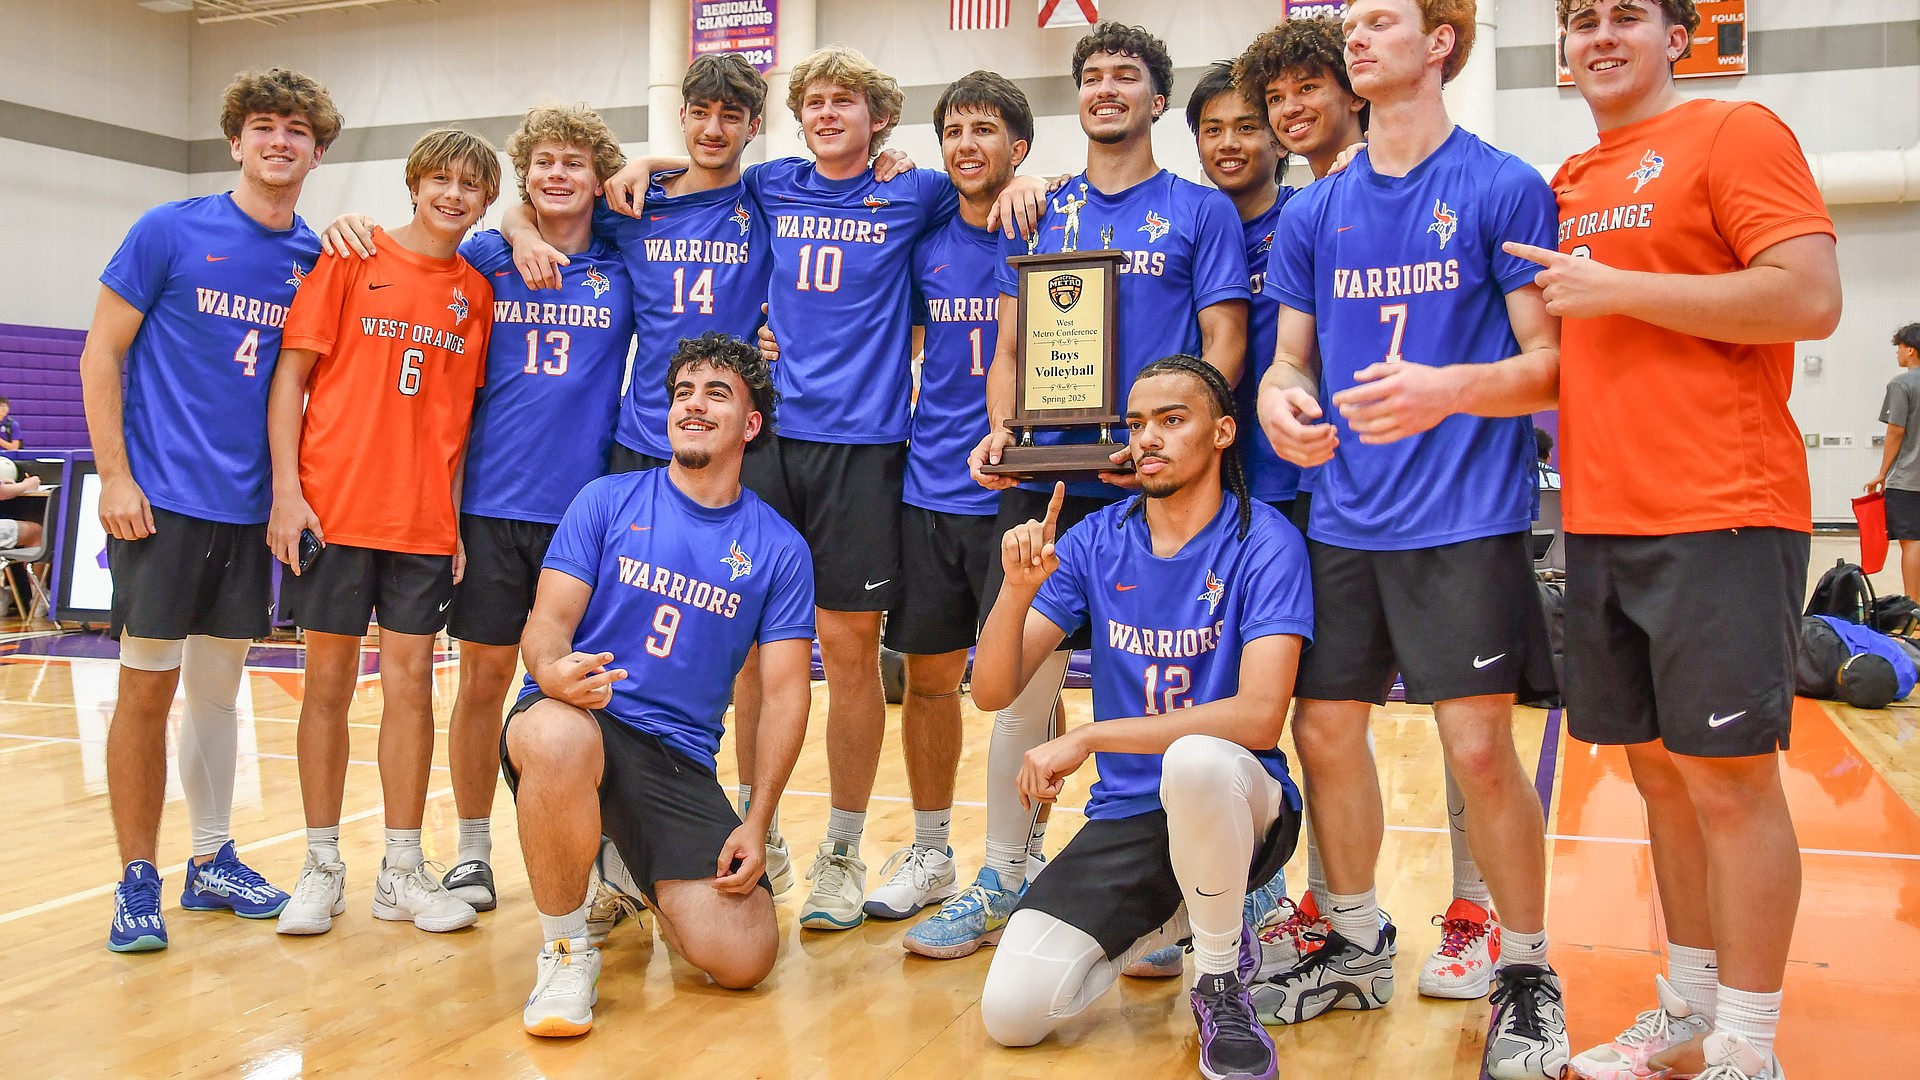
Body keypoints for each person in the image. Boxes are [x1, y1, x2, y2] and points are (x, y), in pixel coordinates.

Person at [605, 46, 1044, 932]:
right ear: (797, 118)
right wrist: (641, 160)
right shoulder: (769, 185)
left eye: (847, 101)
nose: (829, 114)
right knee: (740, 641)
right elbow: (692, 166)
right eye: (815, 102)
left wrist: (1040, 181)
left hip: (868, 452)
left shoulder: (915, 192)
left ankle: (842, 847)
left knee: (848, 652)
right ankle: (750, 829)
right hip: (768, 442)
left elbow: (988, 175)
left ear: (879, 118)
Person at [1516, 3, 1841, 1079]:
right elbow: (1565, 363)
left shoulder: (1734, 134)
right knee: (1657, 775)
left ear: (1676, 35)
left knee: (1730, 781)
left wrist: (1621, 290)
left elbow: (1809, 297)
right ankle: (1691, 1011)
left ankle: (1750, 1046)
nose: (1599, 36)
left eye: (1624, 17)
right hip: (1602, 519)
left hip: (1722, 509)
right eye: (1579, 21)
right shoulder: (1568, 182)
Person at [1253, 2, 1570, 1076]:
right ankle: (1353, 935)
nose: (1356, 35)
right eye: (1352, 21)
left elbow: (1551, 365)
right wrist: (1278, 401)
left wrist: (1447, 391)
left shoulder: (1501, 184)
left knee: (1479, 749)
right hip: (1343, 516)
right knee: (1326, 729)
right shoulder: (1316, 210)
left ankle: (1525, 970)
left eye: (1382, 18)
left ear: (1439, 42)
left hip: (1463, 519)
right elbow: (1289, 359)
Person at [961, 21, 1253, 963]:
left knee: (1179, 679)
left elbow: (1225, 341)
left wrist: (1175, 438)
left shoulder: (1201, 211)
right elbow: (1010, 350)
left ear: (1157, 100)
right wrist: (1003, 426)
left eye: (1125, 75)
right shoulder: (1037, 207)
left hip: (1158, 489)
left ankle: (1186, 883)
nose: (1105, 89)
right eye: (1091, 77)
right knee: (1021, 689)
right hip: (1053, 483)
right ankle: (1007, 871)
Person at [974, 356, 1309, 1080]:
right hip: (1130, 816)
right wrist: (1014, 592)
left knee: (1195, 759)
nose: (1147, 437)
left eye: (1171, 419)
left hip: (1241, 800)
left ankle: (1220, 981)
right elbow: (993, 690)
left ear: (1223, 433)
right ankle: (1186, 913)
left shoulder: (1267, 541)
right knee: (1013, 1013)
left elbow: (1257, 720)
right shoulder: (1099, 541)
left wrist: (1090, 735)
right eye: (1136, 423)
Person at [77, 68, 341, 953]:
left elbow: (294, 389)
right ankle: (136, 879)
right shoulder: (168, 231)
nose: (278, 142)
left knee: (222, 696)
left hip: (246, 511)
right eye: (263, 127)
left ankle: (211, 859)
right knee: (146, 692)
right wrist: (115, 475)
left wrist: (284, 493)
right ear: (235, 141)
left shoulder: (312, 258)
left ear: (316, 151)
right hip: (158, 505)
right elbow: (100, 355)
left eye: (296, 131)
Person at [508, 332, 814, 1037]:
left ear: (751, 424)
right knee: (554, 734)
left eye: (717, 394)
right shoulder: (606, 501)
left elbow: (785, 694)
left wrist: (758, 820)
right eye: (683, 393)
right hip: (584, 718)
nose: (694, 406)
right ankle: (563, 949)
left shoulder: (778, 549)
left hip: (676, 757)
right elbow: (546, 628)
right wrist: (552, 671)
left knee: (744, 957)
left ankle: (621, 865)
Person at [268, 128, 499, 937]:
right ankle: (322, 865)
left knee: (409, 691)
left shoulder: (477, 291)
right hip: (334, 510)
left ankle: (402, 868)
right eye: (440, 179)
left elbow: (462, 417)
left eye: (471, 185)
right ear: (414, 184)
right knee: (326, 690)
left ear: (486, 200)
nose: (453, 195)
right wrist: (286, 495)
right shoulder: (351, 257)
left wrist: (456, 519)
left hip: (422, 521)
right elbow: (290, 377)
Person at [1869, 323, 1920, 598]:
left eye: (1899, 347)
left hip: (1909, 479)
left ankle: (1915, 610)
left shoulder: (1902, 384)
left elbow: (1896, 430)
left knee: (1912, 542)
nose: (1897, 353)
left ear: (1910, 349)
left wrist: (1882, 472)